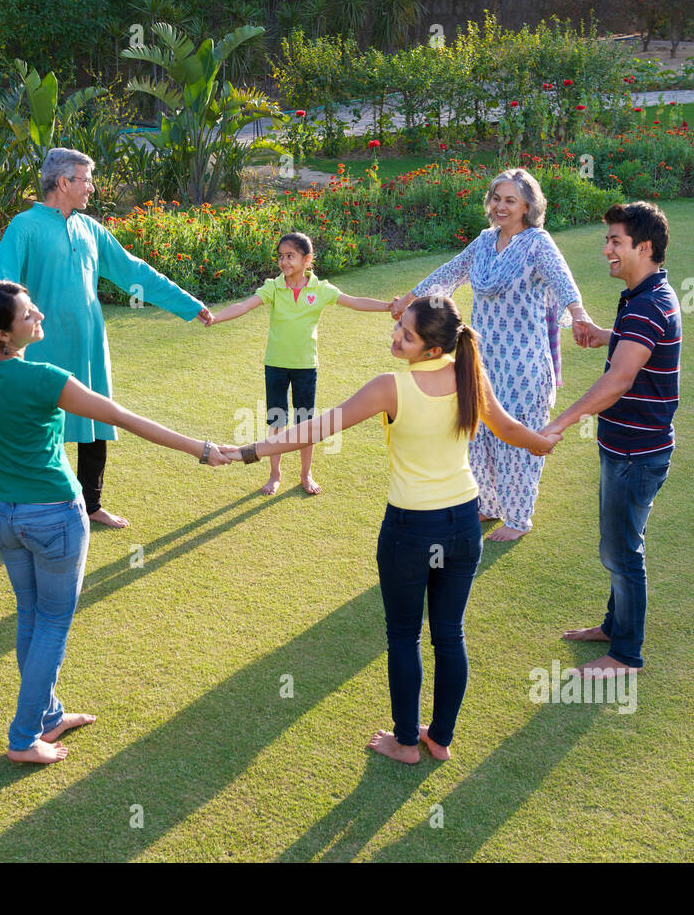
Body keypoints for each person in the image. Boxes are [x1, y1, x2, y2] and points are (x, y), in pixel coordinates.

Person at [226, 296, 560, 764]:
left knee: (404, 635)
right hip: (462, 523)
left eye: (406, 334)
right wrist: (543, 442)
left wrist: (249, 452)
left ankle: (406, 743)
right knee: (449, 634)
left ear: (428, 349)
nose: (395, 336)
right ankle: (439, 739)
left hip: (410, 529)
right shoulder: (469, 377)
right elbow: (510, 430)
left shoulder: (392, 387)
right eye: (398, 326)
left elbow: (317, 429)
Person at [0, 281, 231, 764]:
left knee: (31, 616)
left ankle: (47, 715)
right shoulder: (46, 379)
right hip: (55, 517)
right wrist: (203, 450)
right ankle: (25, 735)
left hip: (6, 518)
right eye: (30, 315)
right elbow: (124, 418)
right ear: (4, 335)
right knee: (51, 622)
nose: (40, 317)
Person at [0, 148, 213, 531]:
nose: (92, 187)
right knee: (43, 427)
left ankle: (91, 504)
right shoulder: (23, 227)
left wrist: (188, 304)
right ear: (63, 182)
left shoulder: (90, 228)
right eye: (86, 179)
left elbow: (132, 271)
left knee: (96, 422)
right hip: (41, 348)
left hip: (90, 345)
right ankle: (40, 506)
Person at [392, 168, 594, 542]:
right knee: (476, 432)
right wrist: (409, 299)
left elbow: (563, 283)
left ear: (527, 205)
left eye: (510, 200)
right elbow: (451, 272)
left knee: (517, 441)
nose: (501, 206)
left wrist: (580, 316)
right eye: (496, 198)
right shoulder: (485, 242)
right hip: (483, 360)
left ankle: (518, 518)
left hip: (524, 364)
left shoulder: (538, 244)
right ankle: (488, 504)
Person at [540, 202, 680, 678]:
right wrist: (604, 335)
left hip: (634, 452)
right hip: (628, 445)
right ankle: (613, 627)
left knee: (622, 551)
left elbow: (620, 380)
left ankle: (626, 656)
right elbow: (636, 346)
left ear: (644, 247)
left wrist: (562, 421)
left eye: (615, 241)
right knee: (619, 544)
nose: (606, 250)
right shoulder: (643, 297)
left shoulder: (645, 306)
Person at [208, 231, 394, 495]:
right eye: (281, 257)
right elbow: (244, 305)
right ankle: (275, 474)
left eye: (290, 256)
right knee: (277, 419)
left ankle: (306, 474)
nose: (284, 262)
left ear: (307, 259)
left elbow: (354, 302)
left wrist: (387, 306)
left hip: (306, 366)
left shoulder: (322, 289)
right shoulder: (273, 287)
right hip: (275, 365)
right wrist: (216, 318)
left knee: (305, 422)